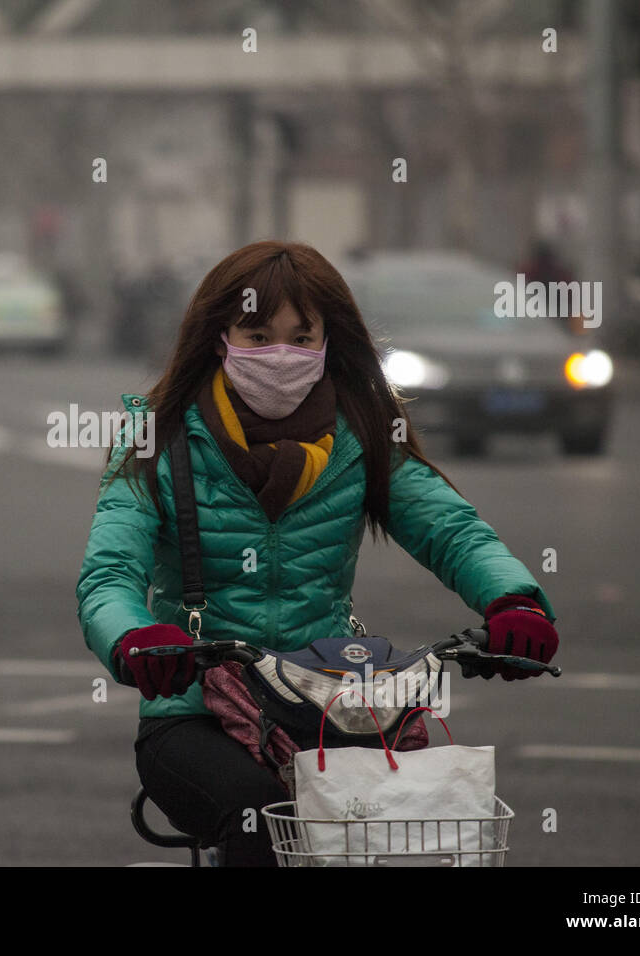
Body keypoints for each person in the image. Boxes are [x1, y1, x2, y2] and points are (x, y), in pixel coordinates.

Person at [76, 240, 559, 867]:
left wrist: (514, 601)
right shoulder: (157, 436)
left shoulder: (363, 432)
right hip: (193, 714)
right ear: (217, 337)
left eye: (301, 338)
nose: (281, 355)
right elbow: (108, 576)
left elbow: (452, 529)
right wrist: (136, 640)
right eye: (257, 335)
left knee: (419, 825)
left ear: (330, 342)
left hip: (332, 704)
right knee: (258, 818)